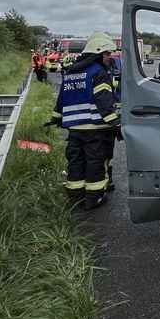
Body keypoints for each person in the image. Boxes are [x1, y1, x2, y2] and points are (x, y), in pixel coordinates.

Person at [49, 36, 120, 210]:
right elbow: (104, 104)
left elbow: (61, 101)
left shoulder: (71, 72)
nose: (109, 57)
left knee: (76, 163)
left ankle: (75, 198)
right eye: (107, 54)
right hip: (95, 129)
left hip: (74, 130)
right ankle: (94, 198)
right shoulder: (98, 73)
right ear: (98, 54)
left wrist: (56, 118)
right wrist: (117, 124)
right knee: (95, 162)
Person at [86, 31, 121, 192]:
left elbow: (124, 89)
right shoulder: (89, 68)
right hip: (92, 117)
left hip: (112, 114)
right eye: (105, 52)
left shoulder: (117, 65)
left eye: (109, 52)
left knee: (107, 151)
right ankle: (96, 184)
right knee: (93, 155)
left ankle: (108, 179)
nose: (109, 55)